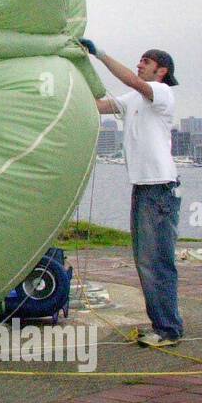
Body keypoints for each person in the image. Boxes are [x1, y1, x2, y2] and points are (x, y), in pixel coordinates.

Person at [83, 41, 184, 347]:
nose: (140, 64)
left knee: (157, 262)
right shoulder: (133, 100)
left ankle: (168, 330)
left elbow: (131, 81)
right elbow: (99, 105)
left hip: (160, 190)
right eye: (139, 61)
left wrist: (99, 54)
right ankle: (162, 324)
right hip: (142, 188)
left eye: (145, 61)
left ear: (161, 70)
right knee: (145, 261)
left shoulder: (162, 94)